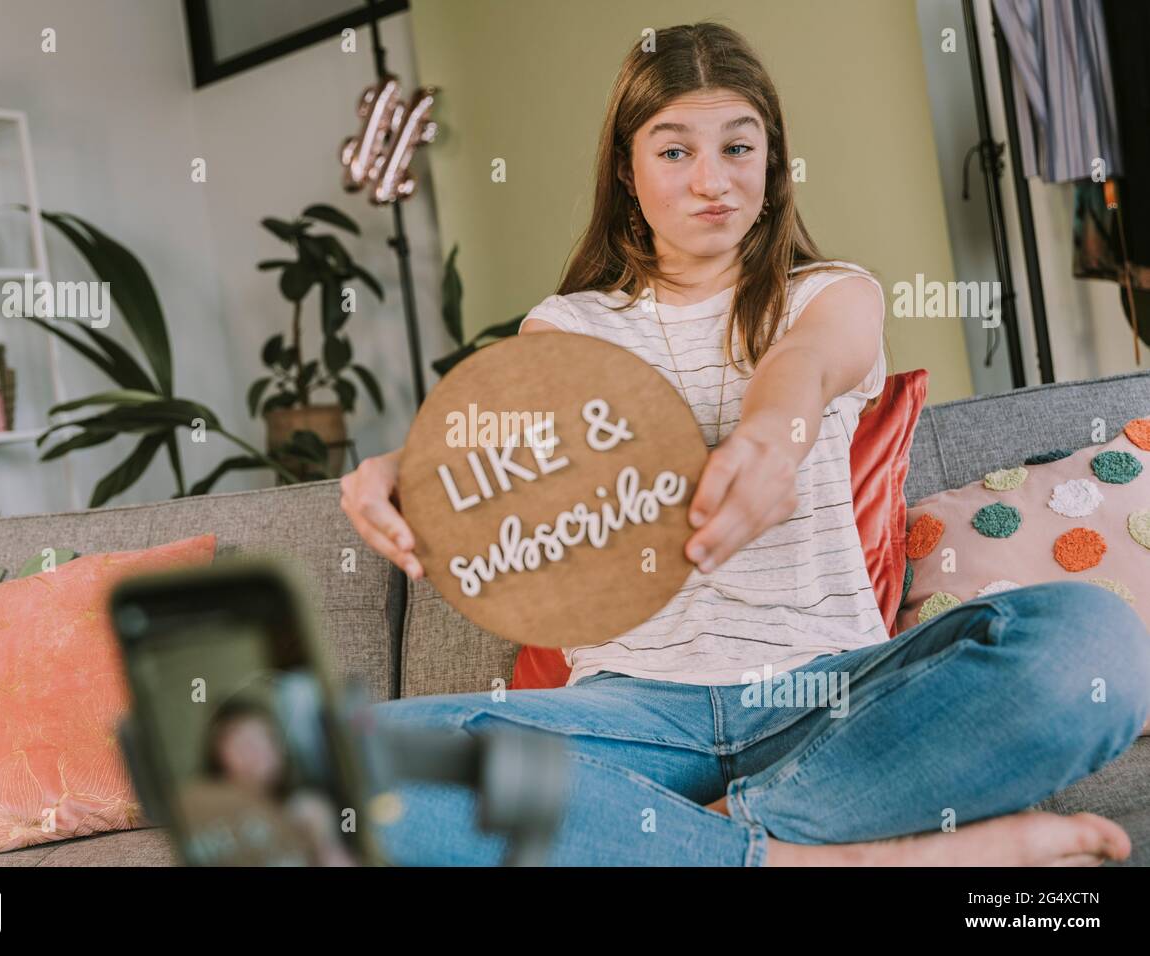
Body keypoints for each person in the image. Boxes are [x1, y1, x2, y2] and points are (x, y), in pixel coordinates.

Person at [340, 21, 1150, 866]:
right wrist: (400, 470)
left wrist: (767, 440)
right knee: (341, 760)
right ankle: (828, 856)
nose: (713, 181)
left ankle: (710, 840)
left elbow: (803, 365)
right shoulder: (570, 325)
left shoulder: (833, 295)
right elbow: (497, 442)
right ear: (626, 169)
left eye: (738, 146)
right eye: (675, 151)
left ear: (773, 161)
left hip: (829, 699)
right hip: (627, 717)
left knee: (1096, 642)